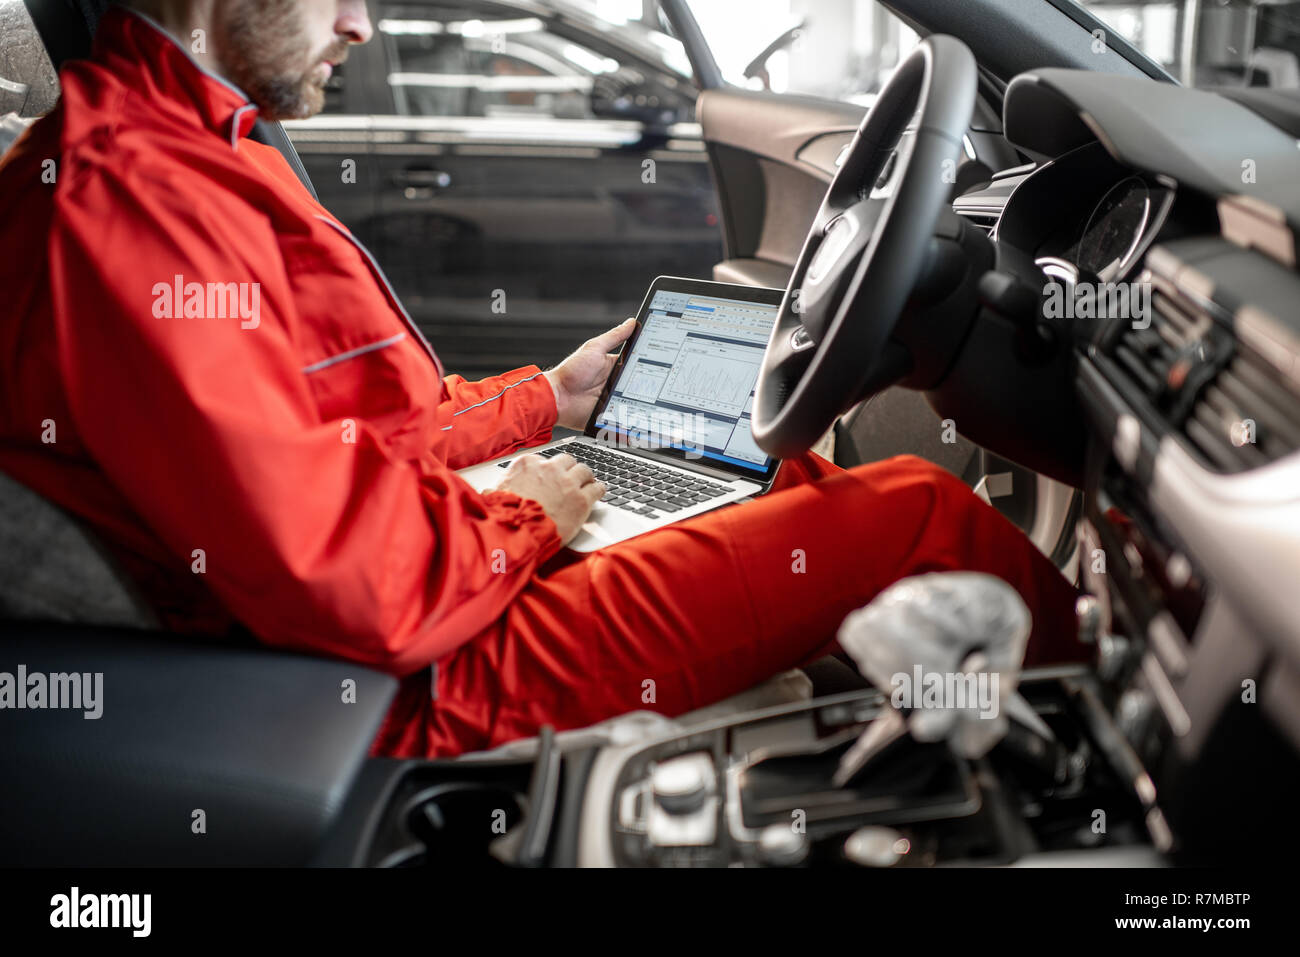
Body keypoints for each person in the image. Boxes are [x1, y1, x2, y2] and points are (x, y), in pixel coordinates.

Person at [0, 1, 1082, 757]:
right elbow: (354, 591)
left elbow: (331, 444)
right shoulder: (136, 208)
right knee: (917, 517)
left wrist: (546, 407)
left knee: (792, 489)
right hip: (400, 681)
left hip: (398, 604)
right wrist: (526, 513)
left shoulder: (175, 156)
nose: (359, 25)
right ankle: (1119, 770)